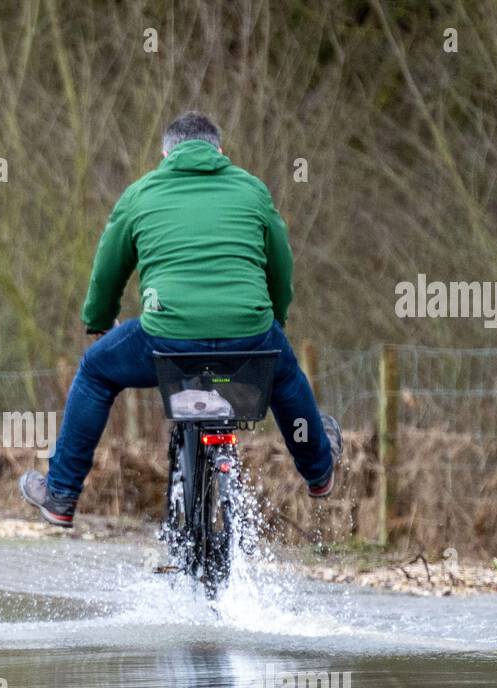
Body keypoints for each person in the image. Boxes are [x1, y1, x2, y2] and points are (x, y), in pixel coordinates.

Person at [20, 111, 341, 527]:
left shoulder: (141, 194)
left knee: (95, 371)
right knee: (284, 373)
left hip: (165, 338)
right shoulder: (252, 191)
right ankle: (318, 472)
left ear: (165, 153)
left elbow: (108, 269)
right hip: (249, 334)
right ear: (220, 151)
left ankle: (61, 495)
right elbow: (281, 265)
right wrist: (273, 320)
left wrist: (99, 318)